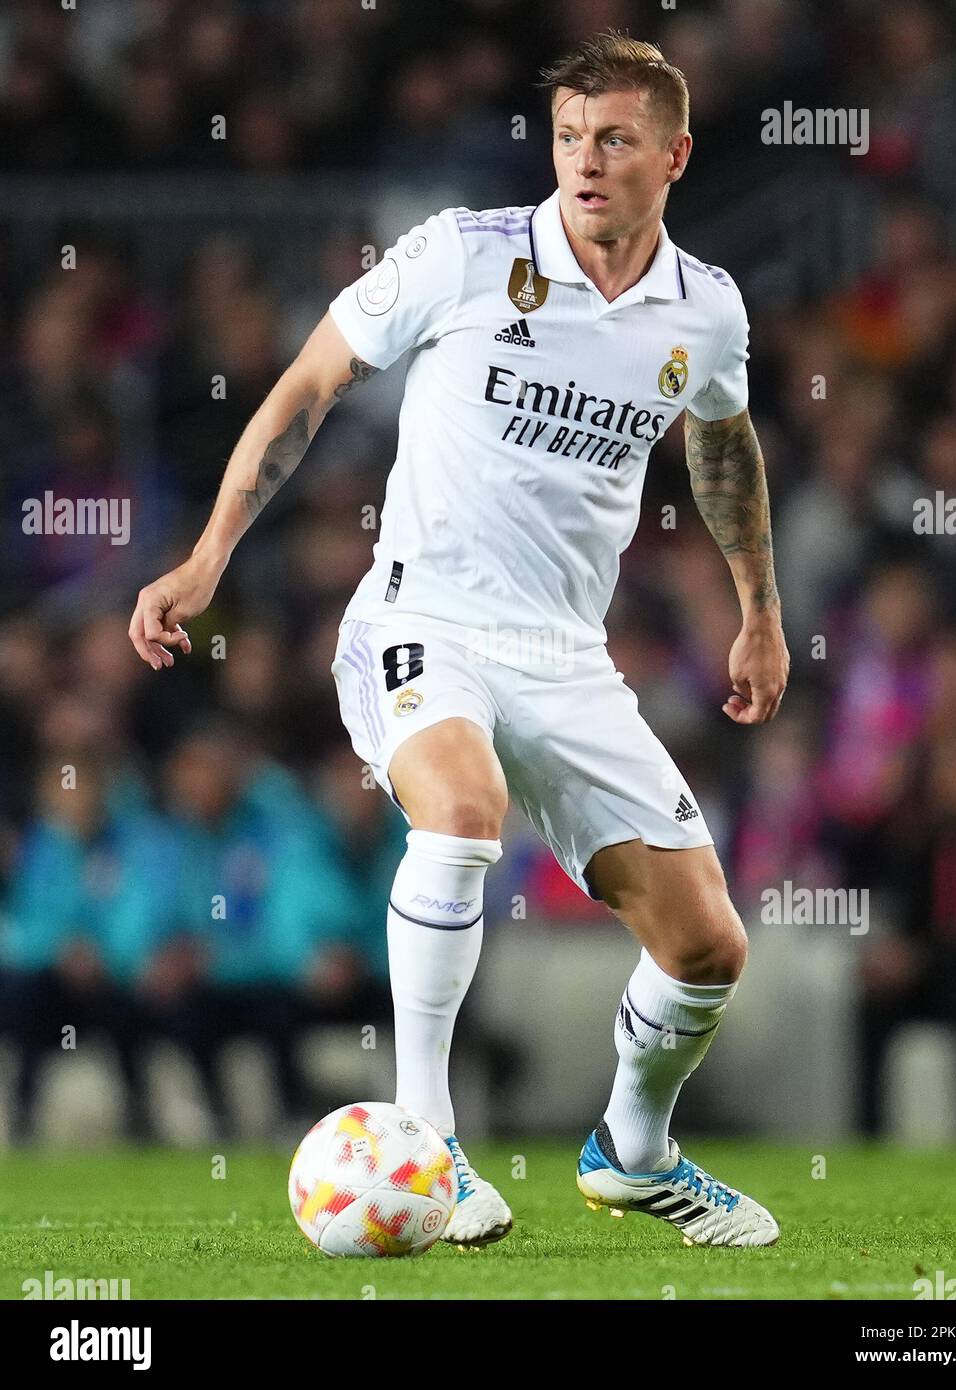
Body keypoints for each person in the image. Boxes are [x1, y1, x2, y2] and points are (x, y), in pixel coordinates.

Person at [129, 32, 789, 1249]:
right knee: (462, 806)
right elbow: (305, 388)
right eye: (569, 137)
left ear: (674, 155)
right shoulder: (466, 253)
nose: (584, 162)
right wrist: (208, 556)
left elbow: (720, 439)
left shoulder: (704, 308)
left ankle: (632, 1154)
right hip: (422, 616)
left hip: (568, 656)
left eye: (615, 140)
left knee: (705, 947)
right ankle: (427, 1142)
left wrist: (757, 610)